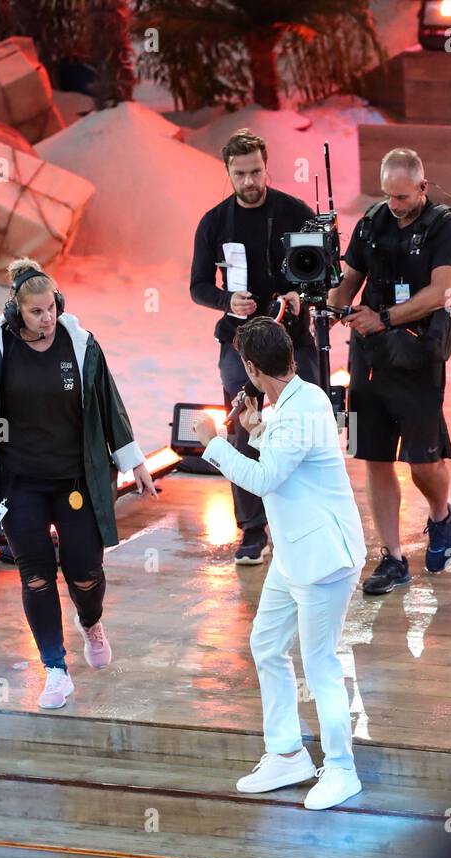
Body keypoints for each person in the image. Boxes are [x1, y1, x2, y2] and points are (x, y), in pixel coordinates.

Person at [0, 258, 158, 709]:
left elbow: (109, 403)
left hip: (75, 480)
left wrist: (135, 463)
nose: (47, 318)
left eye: (51, 307)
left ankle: (90, 623)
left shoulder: (80, 342)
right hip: (19, 484)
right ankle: (55, 668)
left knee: (85, 572)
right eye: (36, 312)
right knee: (35, 577)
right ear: (17, 312)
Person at [191, 318, 367, 810]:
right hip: (294, 555)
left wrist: (212, 442)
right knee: (266, 644)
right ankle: (288, 752)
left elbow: (265, 479)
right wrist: (256, 429)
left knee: (320, 664)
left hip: (324, 559)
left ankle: (341, 769)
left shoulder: (301, 409)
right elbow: (289, 463)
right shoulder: (294, 401)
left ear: (250, 367)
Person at [328, 147, 451, 594]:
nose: (395, 205)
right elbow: (349, 279)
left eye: (404, 197)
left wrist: (385, 318)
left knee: (424, 462)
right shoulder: (372, 222)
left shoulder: (445, 227)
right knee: (375, 456)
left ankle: (441, 515)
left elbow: (442, 292)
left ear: (423, 188)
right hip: (369, 357)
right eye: (389, 196)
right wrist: (328, 300)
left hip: (418, 354)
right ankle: (392, 557)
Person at [190, 129, 323, 565]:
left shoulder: (295, 211)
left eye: (257, 172)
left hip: (293, 337)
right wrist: (228, 300)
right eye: (241, 173)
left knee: (303, 426)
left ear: (268, 167)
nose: (250, 181)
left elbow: (321, 275)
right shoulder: (214, 222)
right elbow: (197, 287)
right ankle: (251, 528)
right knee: (242, 425)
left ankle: (307, 517)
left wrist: (297, 294)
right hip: (238, 338)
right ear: (227, 172)